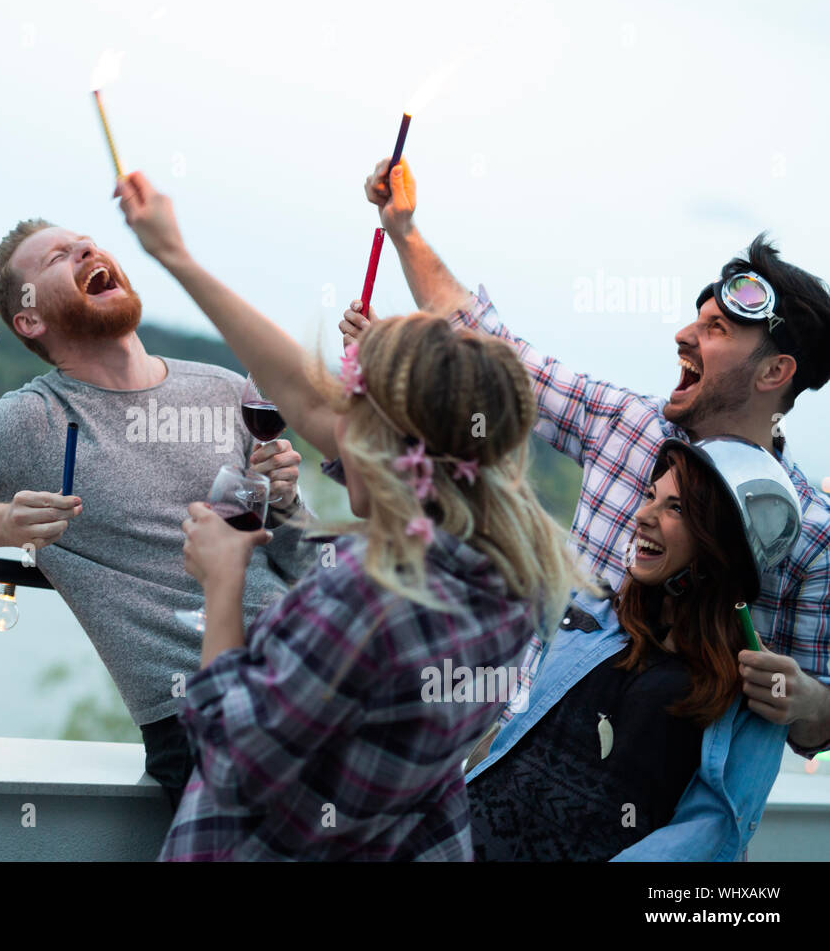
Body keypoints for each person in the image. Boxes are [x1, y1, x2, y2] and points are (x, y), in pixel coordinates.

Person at [115, 172, 585, 859]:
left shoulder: (368, 593)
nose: (338, 430)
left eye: (355, 418)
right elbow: (305, 403)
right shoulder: (518, 570)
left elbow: (230, 759)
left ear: (386, 443)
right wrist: (176, 257)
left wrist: (223, 580)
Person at [343, 157, 830, 758]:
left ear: (776, 372)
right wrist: (403, 227)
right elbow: (494, 348)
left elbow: (816, 728)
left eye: (718, 329)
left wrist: (809, 701)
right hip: (503, 748)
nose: (683, 335)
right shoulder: (627, 421)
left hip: (646, 820)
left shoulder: (811, 534)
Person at [0, 219, 317, 811]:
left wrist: (285, 502)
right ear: (30, 319)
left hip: (314, 664)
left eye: (87, 242)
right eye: (59, 257)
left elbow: (309, 562)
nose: (87, 249)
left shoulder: (222, 391)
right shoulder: (30, 421)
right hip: (198, 717)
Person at [466, 436, 802, 861]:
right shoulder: (589, 610)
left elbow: (712, 833)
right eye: (649, 496)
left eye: (675, 508)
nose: (643, 516)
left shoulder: (755, 692)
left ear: (722, 547)